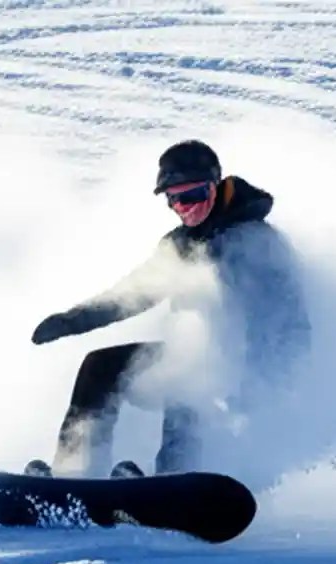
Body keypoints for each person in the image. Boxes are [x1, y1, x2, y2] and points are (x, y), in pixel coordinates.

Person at [27, 139, 311, 478]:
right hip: (191, 355)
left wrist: (258, 383)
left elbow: (291, 325)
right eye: (174, 200)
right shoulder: (180, 244)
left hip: (247, 370)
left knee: (189, 377)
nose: (183, 207)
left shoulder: (258, 242)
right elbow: (133, 294)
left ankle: (173, 479)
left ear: (216, 187)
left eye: (193, 196)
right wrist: (72, 321)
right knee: (100, 366)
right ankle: (74, 473)